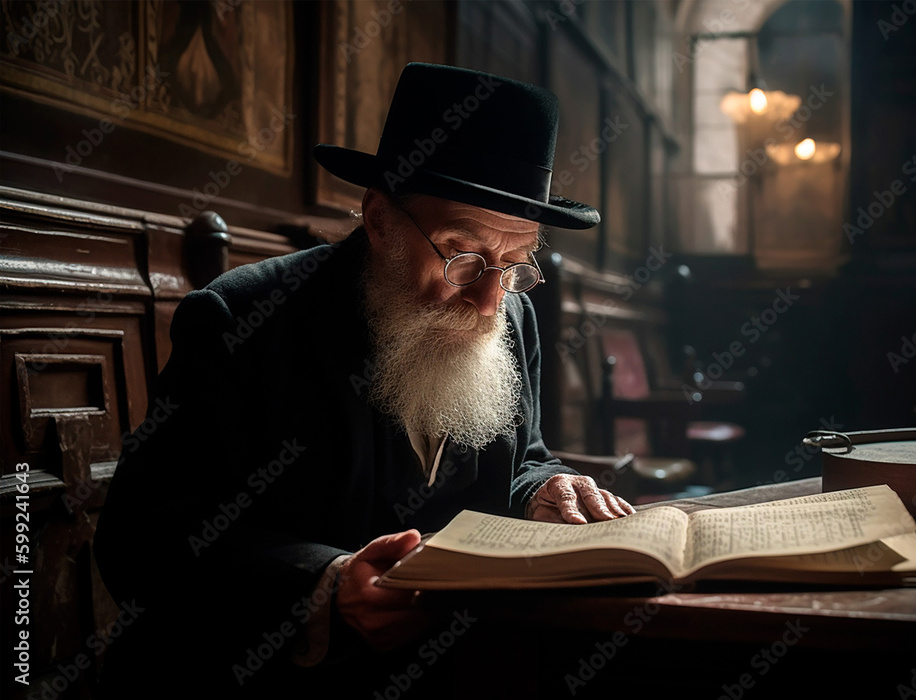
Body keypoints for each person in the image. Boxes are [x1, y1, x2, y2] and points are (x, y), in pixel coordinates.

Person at [93, 62, 633, 698]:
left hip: (468, 663)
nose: (490, 301)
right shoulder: (242, 319)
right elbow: (143, 540)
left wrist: (545, 488)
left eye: (514, 264)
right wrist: (328, 583)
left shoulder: (513, 316)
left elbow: (521, 458)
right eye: (464, 257)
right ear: (379, 219)